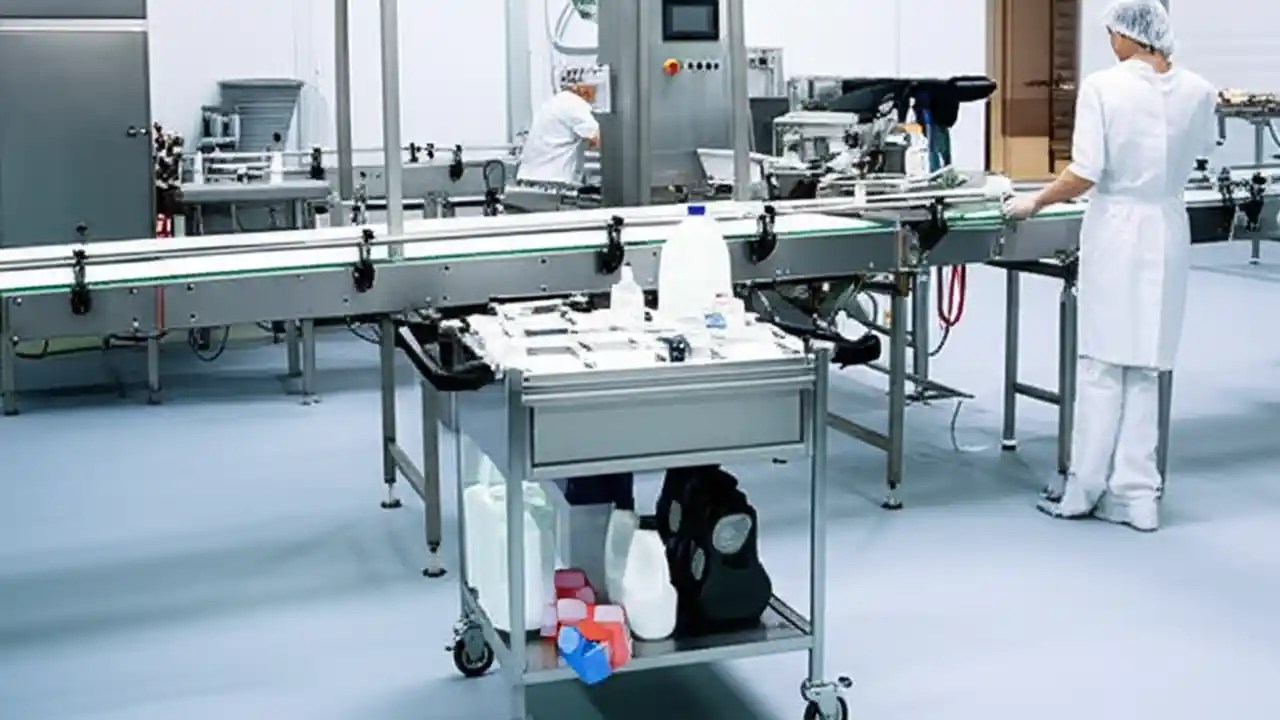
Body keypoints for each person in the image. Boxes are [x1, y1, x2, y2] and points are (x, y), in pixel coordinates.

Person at [1003, 0, 1218, 532]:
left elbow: (1085, 173)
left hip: (1119, 228)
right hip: (1168, 228)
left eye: (1111, 34)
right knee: (1147, 365)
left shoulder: (1103, 87)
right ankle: (1139, 497)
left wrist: (1034, 202)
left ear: (1126, 35)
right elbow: (1198, 152)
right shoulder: (1199, 91)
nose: (1109, 43)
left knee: (1102, 366)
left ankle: (1084, 489)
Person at [515, 82, 600, 187]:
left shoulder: (555, 102)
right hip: (550, 181)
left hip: (529, 179)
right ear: (585, 89)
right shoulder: (575, 104)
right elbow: (598, 139)